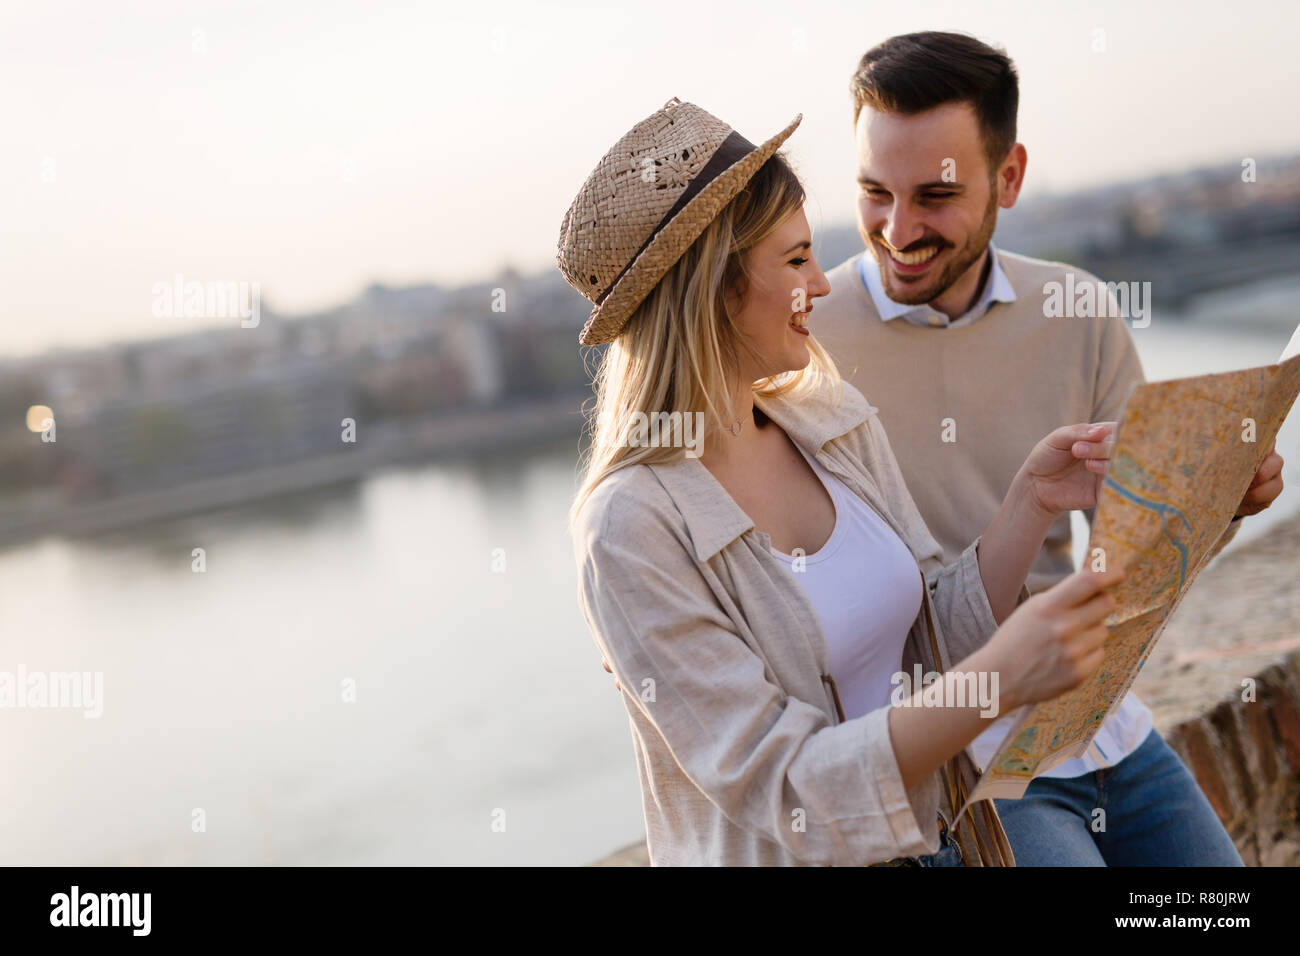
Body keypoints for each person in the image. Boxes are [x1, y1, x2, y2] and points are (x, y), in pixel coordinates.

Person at [559, 97, 1125, 866]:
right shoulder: (630, 526)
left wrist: (1031, 500)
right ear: (714, 290)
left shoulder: (830, 420)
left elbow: (926, 636)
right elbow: (785, 792)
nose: (823, 286)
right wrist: (995, 680)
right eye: (795, 261)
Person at [814, 31, 1283, 865]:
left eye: (935, 195)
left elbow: (1142, 546)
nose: (898, 228)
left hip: (1109, 731)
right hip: (964, 766)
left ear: (1011, 176)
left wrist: (1223, 500)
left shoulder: (1078, 307)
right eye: (874, 193)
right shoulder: (806, 343)